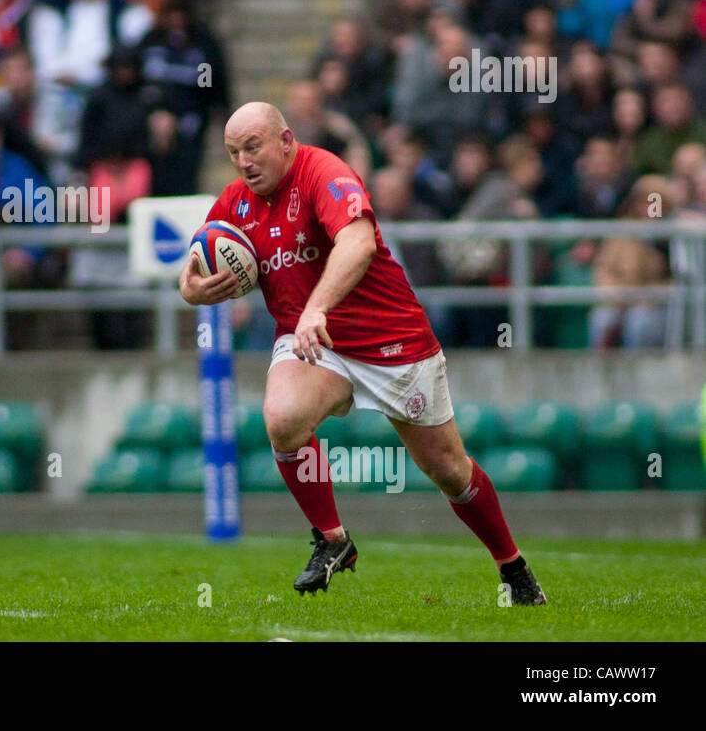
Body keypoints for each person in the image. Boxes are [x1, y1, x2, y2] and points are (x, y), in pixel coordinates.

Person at [178, 102, 546, 604]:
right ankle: (333, 540)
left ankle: (513, 567)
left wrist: (317, 306)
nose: (243, 162)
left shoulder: (324, 172)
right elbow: (195, 261)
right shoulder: (236, 203)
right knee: (282, 420)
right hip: (314, 342)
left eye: (253, 147)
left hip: (389, 339)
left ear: (285, 141)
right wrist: (192, 290)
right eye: (233, 152)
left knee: (448, 470)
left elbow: (357, 244)